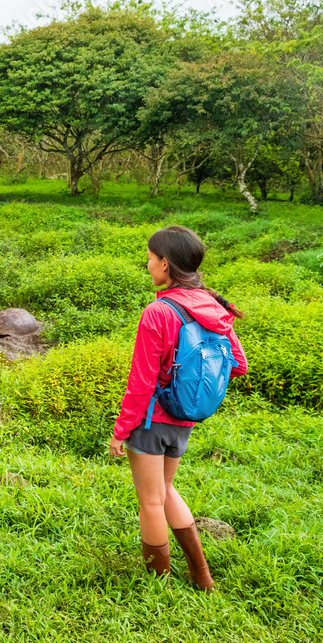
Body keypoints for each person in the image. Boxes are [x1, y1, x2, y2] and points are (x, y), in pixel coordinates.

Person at [109, 225, 248, 593]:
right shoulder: (213, 306)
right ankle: (202, 577)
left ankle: (158, 585)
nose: (149, 263)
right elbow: (237, 363)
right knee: (167, 488)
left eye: (152, 258)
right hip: (185, 418)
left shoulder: (158, 311)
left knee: (151, 501)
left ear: (166, 264)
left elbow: (140, 383)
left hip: (152, 419)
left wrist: (121, 430)